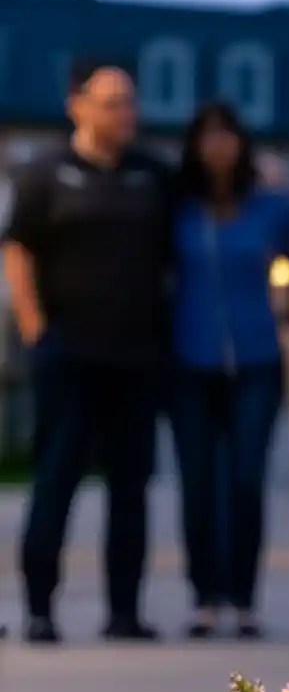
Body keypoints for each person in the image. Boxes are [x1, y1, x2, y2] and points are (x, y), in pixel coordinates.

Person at [4, 61, 171, 643]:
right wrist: (35, 329)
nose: (125, 113)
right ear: (77, 106)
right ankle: (39, 609)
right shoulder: (44, 174)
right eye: (112, 102)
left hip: (137, 356)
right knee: (57, 480)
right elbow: (18, 251)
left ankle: (124, 612)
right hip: (68, 354)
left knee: (131, 488)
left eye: (130, 102)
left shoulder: (152, 175)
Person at [170, 102, 289, 639]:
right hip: (190, 360)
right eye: (208, 136)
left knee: (246, 479)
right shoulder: (179, 207)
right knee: (198, 483)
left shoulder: (271, 207)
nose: (218, 146)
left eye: (228, 135)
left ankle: (244, 599)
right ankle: (204, 597)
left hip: (257, 359)